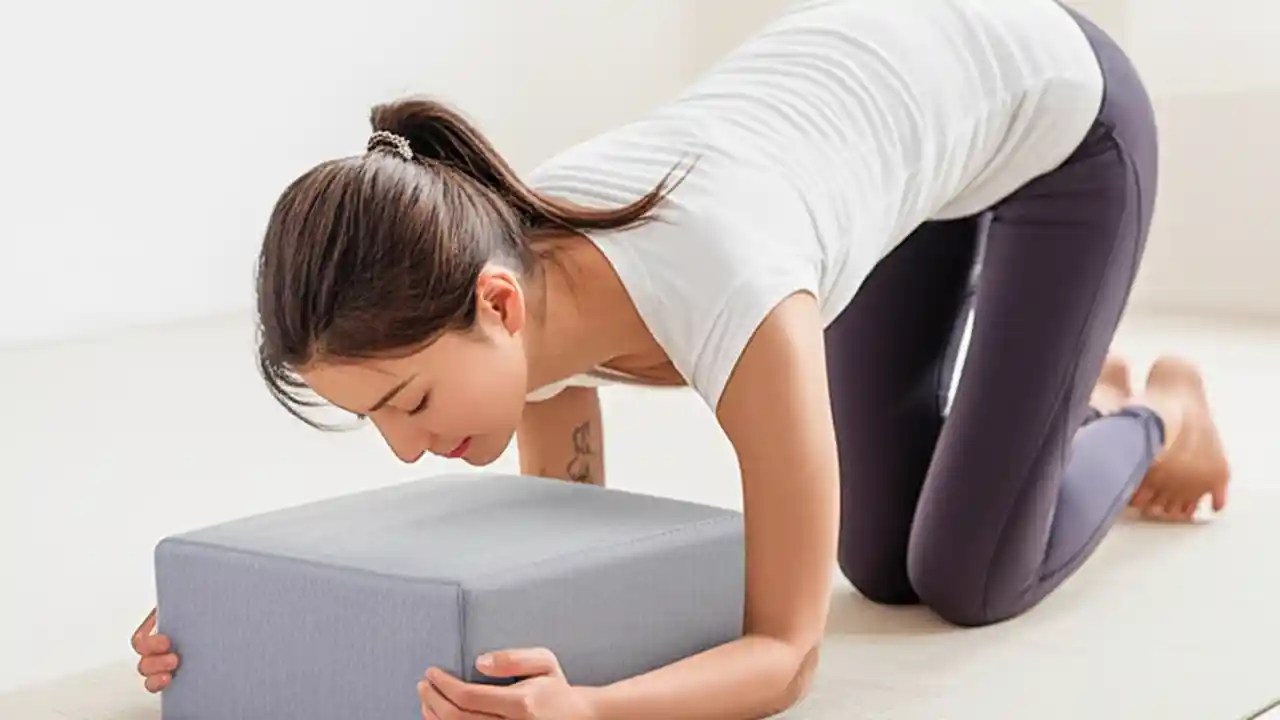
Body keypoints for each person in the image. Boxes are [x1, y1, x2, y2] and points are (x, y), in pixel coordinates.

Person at [132, 0, 1232, 717]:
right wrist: (232, 624)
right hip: (895, 144)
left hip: (1060, 118)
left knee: (965, 576)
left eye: (409, 401)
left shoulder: (736, 291)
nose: (408, 452)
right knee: (880, 566)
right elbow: (563, 559)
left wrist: (597, 710)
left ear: (499, 304)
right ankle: (1038, 399)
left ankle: (1146, 412)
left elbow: (789, 654)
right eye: (374, 419)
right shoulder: (501, 273)